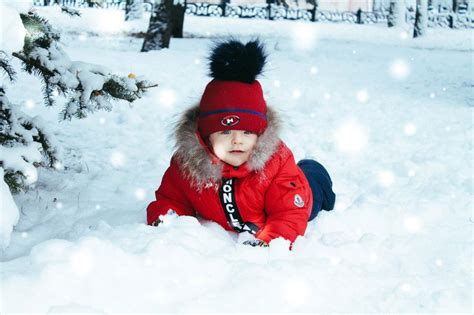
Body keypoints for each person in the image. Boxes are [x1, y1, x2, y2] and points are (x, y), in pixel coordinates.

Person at [147, 39, 335, 247]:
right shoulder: (187, 165)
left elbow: (288, 215)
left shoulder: (276, 165)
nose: (237, 140)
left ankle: (315, 173)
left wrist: (269, 240)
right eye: (226, 131)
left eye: (247, 132)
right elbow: (171, 199)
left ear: (260, 135)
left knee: (313, 185)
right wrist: (165, 218)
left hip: (300, 196)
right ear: (206, 135)